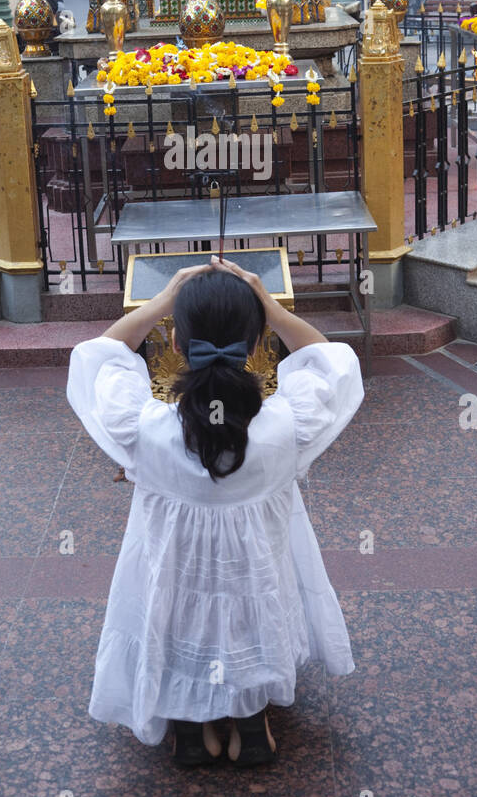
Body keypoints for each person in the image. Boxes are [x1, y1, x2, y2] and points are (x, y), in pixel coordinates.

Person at [66, 256, 363, 767]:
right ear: (256, 346)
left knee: (180, 616)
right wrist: (268, 306)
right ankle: (250, 728)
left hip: (176, 578)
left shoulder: (143, 428)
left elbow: (100, 356)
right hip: (255, 579)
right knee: (247, 613)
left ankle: (188, 726)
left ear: (177, 344)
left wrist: (164, 300)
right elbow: (330, 360)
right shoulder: (288, 425)